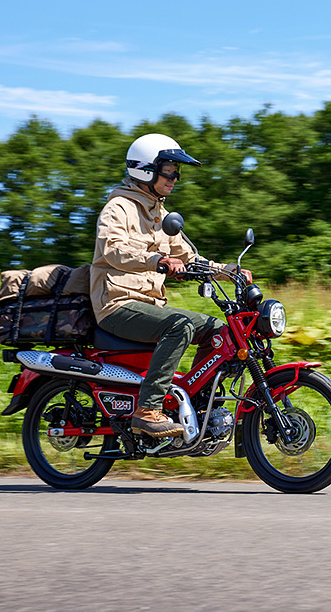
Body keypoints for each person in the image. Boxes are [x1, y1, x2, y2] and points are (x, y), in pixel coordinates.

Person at [90, 133, 251, 438]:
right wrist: (157, 261)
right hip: (116, 305)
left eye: (177, 171)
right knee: (180, 325)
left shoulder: (161, 215)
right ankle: (148, 410)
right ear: (146, 169)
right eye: (169, 169)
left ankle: (199, 405)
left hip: (149, 307)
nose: (175, 177)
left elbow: (191, 259)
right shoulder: (119, 208)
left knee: (219, 331)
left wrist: (228, 272)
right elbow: (113, 250)